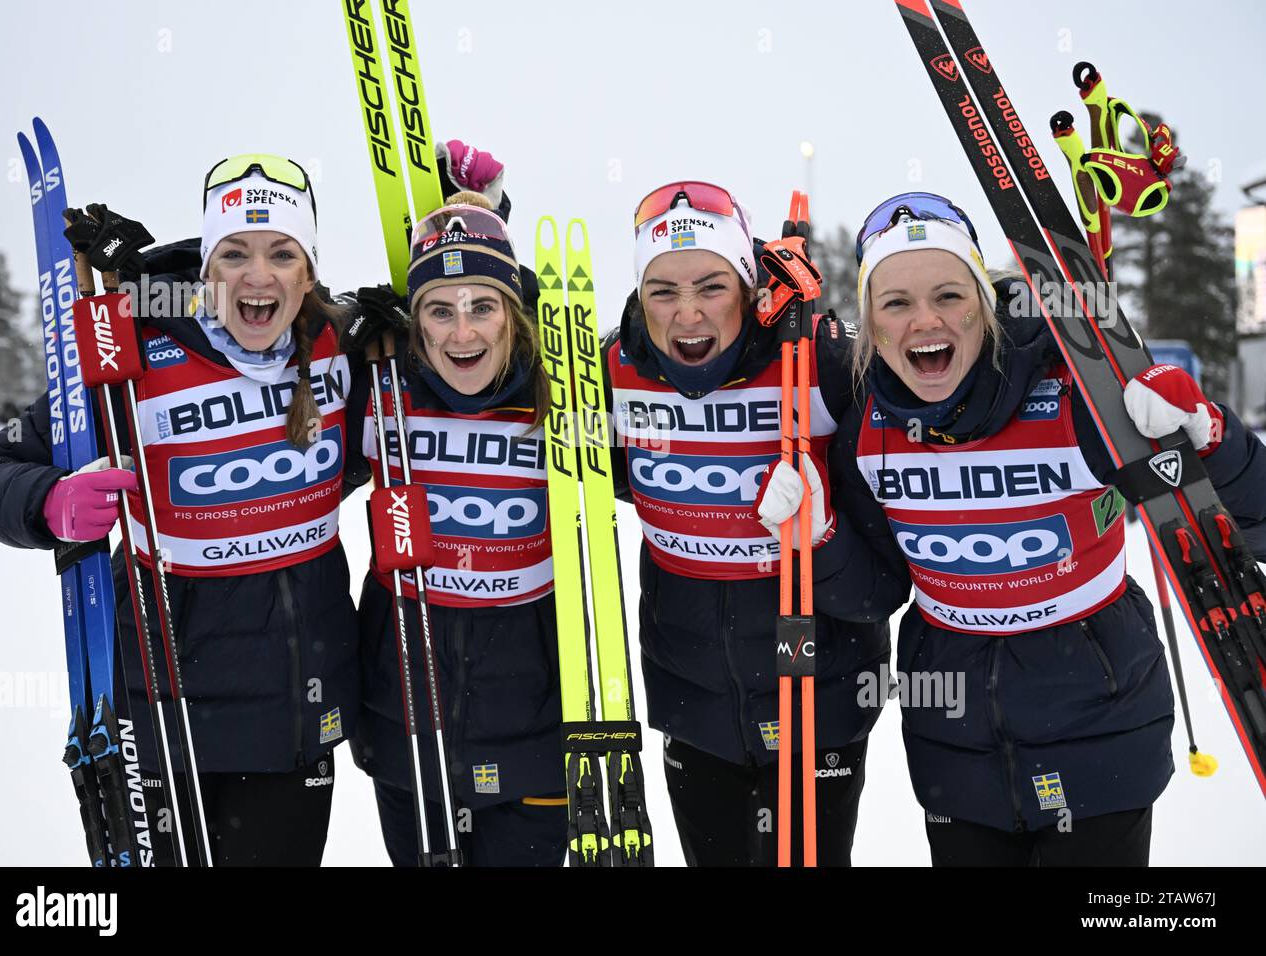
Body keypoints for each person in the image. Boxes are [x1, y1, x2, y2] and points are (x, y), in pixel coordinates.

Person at [822, 191, 1266, 865]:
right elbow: (874, 593)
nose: (925, 321)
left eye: (948, 295)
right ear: (872, 323)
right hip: (954, 751)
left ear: (985, 302)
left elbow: (1249, 527)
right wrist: (818, 536)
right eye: (896, 303)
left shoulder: (1073, 393)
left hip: (1101, 740)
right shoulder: (867, 429)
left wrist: (1208, 439)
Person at [0, 154, 362, 866]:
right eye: (234, 253)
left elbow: (459, 352)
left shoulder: (343, 353)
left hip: (296, 715)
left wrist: (472, 216)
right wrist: (49, 502)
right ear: (208, 268)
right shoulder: (137, 360)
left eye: (282, 253)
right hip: (162, 711)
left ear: (308, 272)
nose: (257, 275)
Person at [601, 180, 912, 866]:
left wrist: (821, 532)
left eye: (712, 286)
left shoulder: (826, 366)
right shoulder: (612, 372)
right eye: (662, 290)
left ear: (748, 287)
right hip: (692, 704)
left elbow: (881, 589)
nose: (687, 313)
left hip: (819, 703)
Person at [347, 175, 568, 866]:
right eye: (439, 311)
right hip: (405, 724)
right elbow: (269, 343)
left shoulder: (561, 399)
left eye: (483, 306)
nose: (463, 330)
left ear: (514, 311)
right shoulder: (379, 389)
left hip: (533, 733)